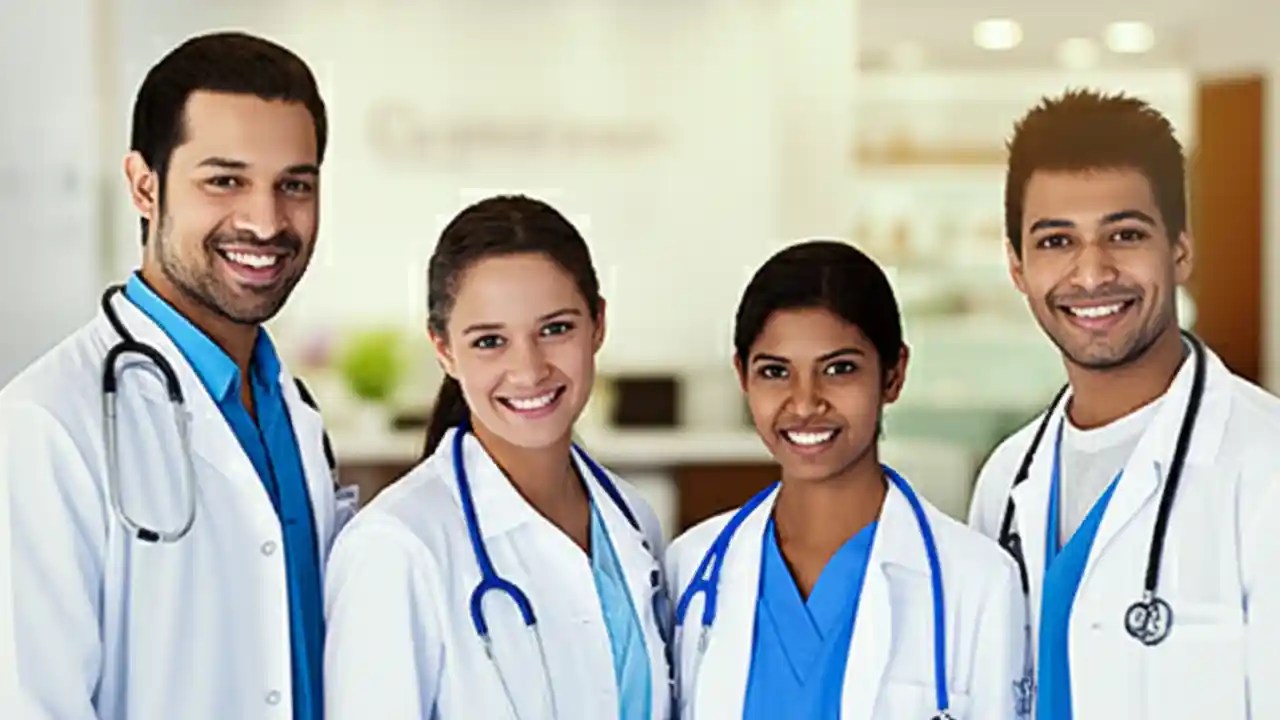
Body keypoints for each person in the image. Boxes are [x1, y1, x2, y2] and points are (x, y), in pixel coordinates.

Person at [0, 31, 344, 720]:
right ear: (144, 185)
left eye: (294, 185)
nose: (265, 220)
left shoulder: (292, 411)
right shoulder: (48, 423)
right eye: (225, 180)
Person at [967, 89, 1280, 719]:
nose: (1091, 274)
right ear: (1017, 267)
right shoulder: (1006, 482)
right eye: (1057, 242)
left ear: (1181, 249)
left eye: (1125, 234)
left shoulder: (1264, 462)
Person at [323, 194, 672, 719]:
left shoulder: (632, 519)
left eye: (555, 329)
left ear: (598, 324)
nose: (529, 370)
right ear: (444, 350)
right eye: (490, 341)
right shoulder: (395, 546)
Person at [665, 240, 1028, 719]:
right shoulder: (692, 568)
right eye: (775, 372)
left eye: (839, 369)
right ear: (743, 376)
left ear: (894, 374)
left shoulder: (977, 581)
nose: (805, 403)